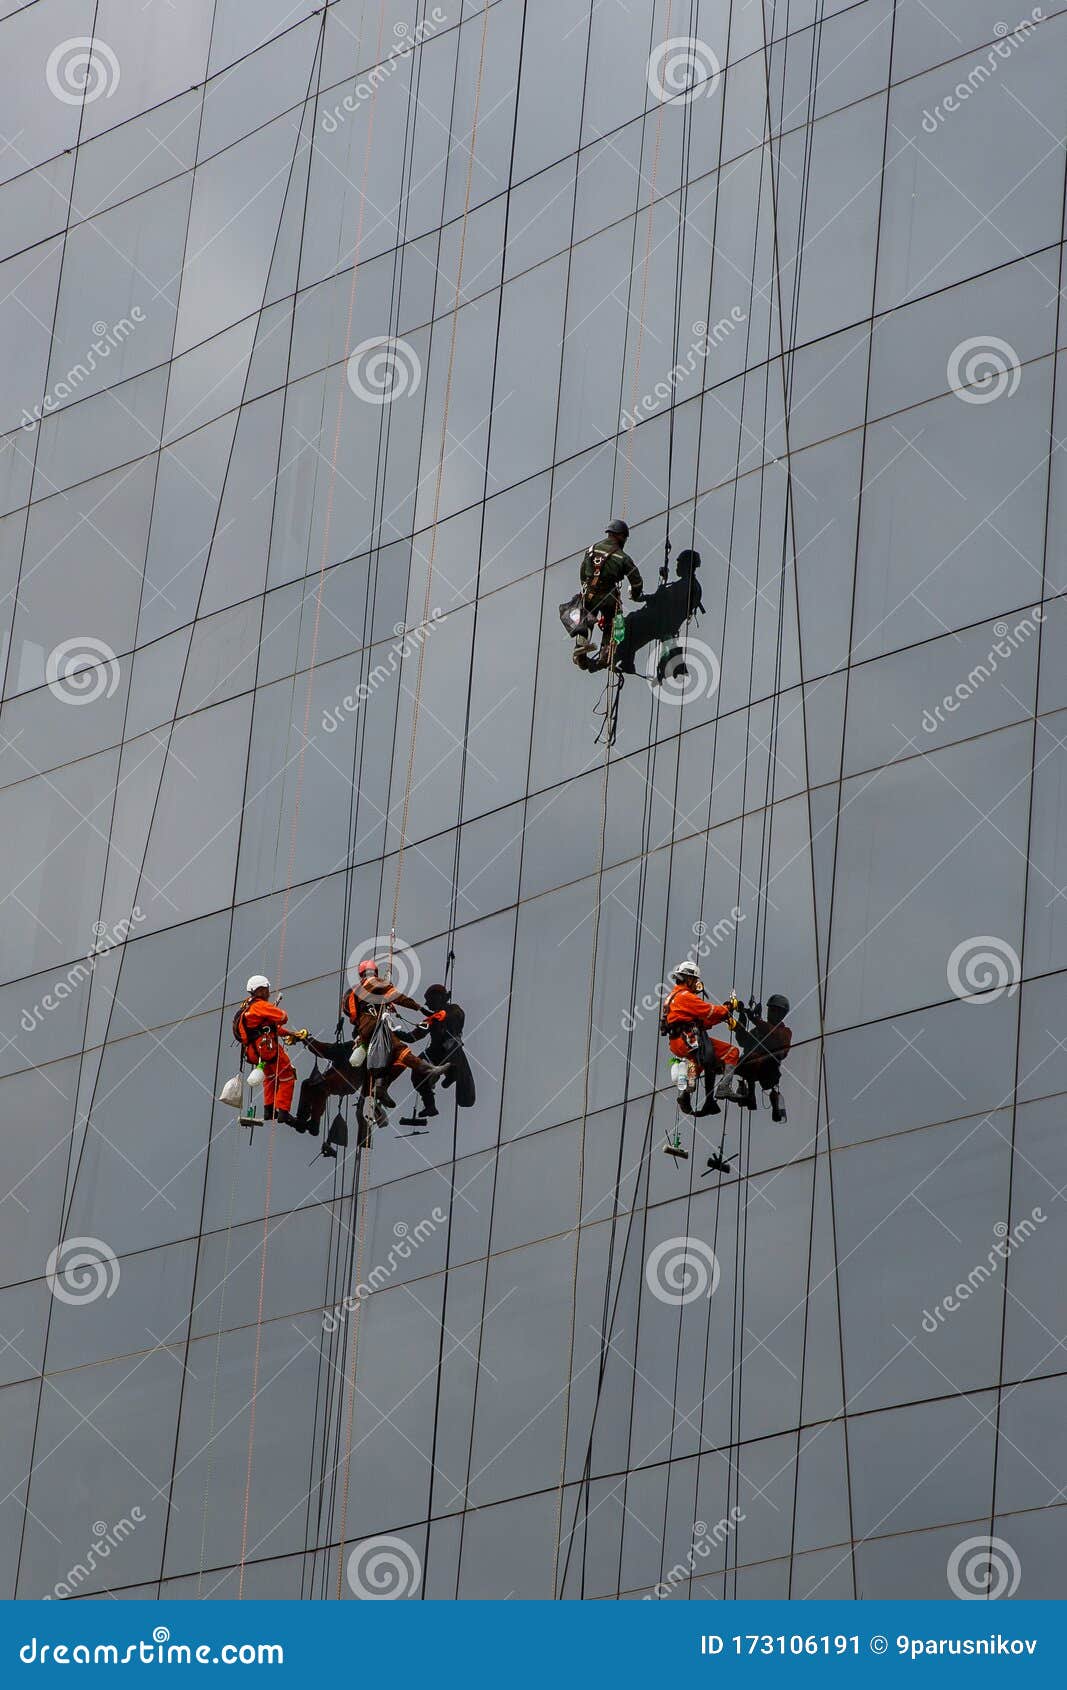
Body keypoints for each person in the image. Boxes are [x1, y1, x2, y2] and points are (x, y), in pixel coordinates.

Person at [345, 960, 447, 1134]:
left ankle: (381, 1089)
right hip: (375, 1025)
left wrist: (379, 1003)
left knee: (391, 1059)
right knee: (399, 1049)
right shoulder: (373, 982)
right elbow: (397, 997)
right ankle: (429, 1070)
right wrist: (419, 1008)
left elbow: (350, 1012)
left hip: (364, 1029)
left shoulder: (352, 993)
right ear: (373, 972)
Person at [660, 961, 739, 1114]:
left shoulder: (672, 996)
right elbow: (709, 1011)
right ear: (688, 979)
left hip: (678, 1042)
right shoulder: (686, 997)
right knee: (732, 1052)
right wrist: (728, 1008)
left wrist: (722, 1017)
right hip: (687, 1040)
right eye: (695, 979)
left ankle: (685, 1094)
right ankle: (724, 1088)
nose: (696, 983)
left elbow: (702, 1021)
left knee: (699, 1062)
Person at [568, 519, 645, 671]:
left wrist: (587, 588)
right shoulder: (622, 557)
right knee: (614, 621)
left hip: (589, 593)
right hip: (609, 596)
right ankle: (606, 653)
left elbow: (583, 573)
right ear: (621, 536)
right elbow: (636, 581)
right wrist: (636, 595)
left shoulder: (591, 550)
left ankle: (581, 649)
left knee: (586, 620)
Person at [233, 975, 300, 1129]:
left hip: (254, 1052)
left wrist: (290, 1033)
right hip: (266, 1048)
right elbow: (283, 1017)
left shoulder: (247, 1005)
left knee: (269, 1076)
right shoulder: (260, 1006)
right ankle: (283, 1111)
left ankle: (269, 1110)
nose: (269, 993)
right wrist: (272, 1011)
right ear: (261, 990)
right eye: (267, 990)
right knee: (287, 1074)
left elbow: (269, 1028)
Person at [403, 983, 475, 1121]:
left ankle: (451, 1072)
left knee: (423, 1066)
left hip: (448, 1050)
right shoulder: (432, 1019)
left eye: (429, 1000)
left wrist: (437, 1016)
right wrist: (393, 1032)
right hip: (437, 1052)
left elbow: (456, 1015)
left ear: (438, 998)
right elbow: (412, 1037)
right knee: (417, 1072)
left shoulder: (454, 1010)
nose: (427, 1004)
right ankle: (430, 1105)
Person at [719, 995, 792, 1122]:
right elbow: (744, 1041)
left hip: (768, 1068)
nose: (771, 1013)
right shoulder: (759, 1030)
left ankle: (751, 1096)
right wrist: (741, 1018)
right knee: (727, 1061)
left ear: (782, 1014)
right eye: (770, 1009)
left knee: (752, 1058)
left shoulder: (784, 1032)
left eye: (775, 1010)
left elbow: (775, 1037)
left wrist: (755, 1019)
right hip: (752, 1066)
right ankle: (745, 1094)